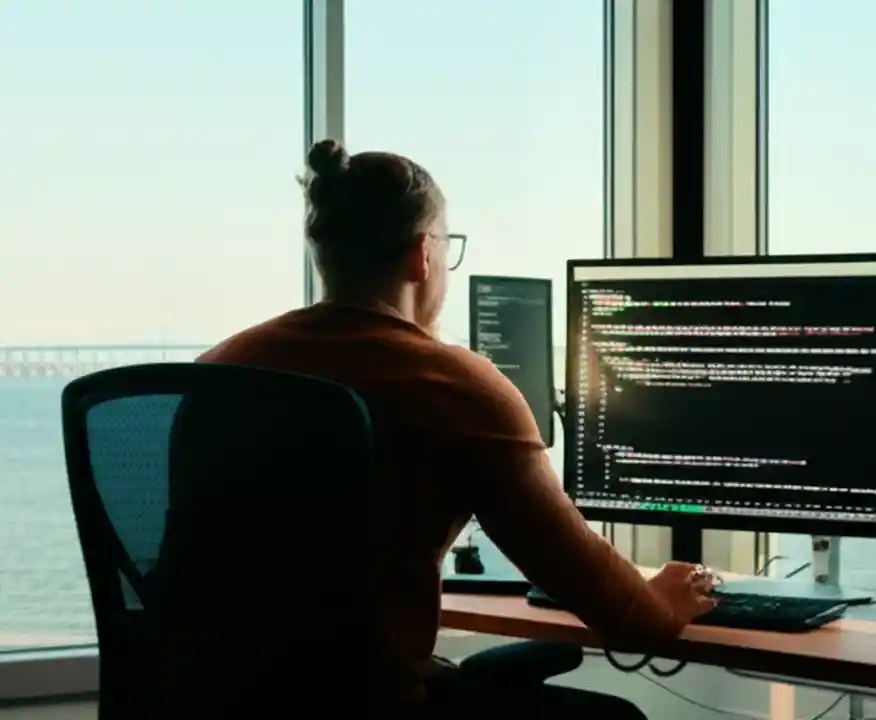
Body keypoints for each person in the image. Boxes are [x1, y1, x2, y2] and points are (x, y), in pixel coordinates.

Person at [198, 139, 717, 717]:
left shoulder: (219, 368)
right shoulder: (457, 387)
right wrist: (666, 599)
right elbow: (621, 615)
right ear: (424, 254)